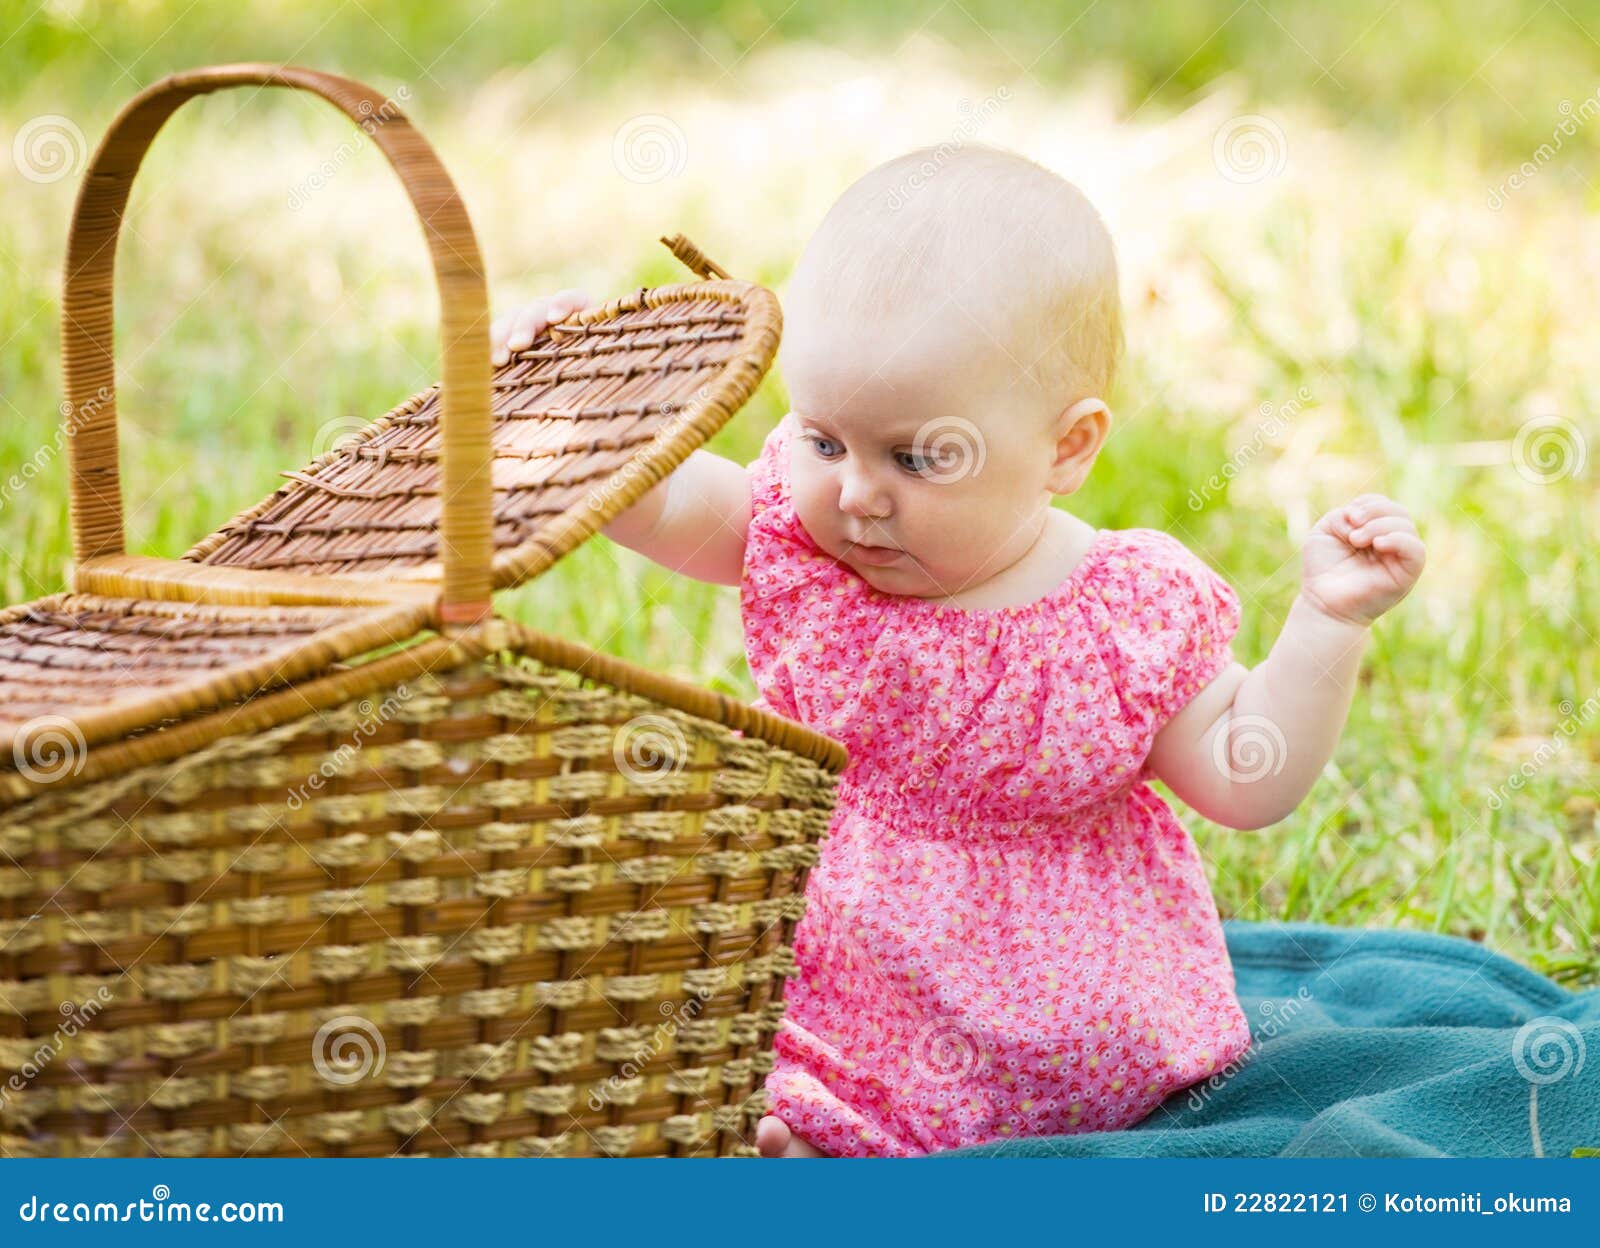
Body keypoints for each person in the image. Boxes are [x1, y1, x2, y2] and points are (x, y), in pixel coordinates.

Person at [489, 143, 1425, 1157]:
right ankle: (811, 1126)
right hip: (840, 965)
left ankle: (862, 1142)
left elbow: (1249, 781)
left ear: (1066, 447)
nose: (856, 493)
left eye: (917, 456)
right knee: (667, 1012)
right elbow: (665, 505)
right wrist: (580, 407)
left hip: (1066, 1016)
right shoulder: (810, 542)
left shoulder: (1121, 615)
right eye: (822, 438)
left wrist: (1326, 621)